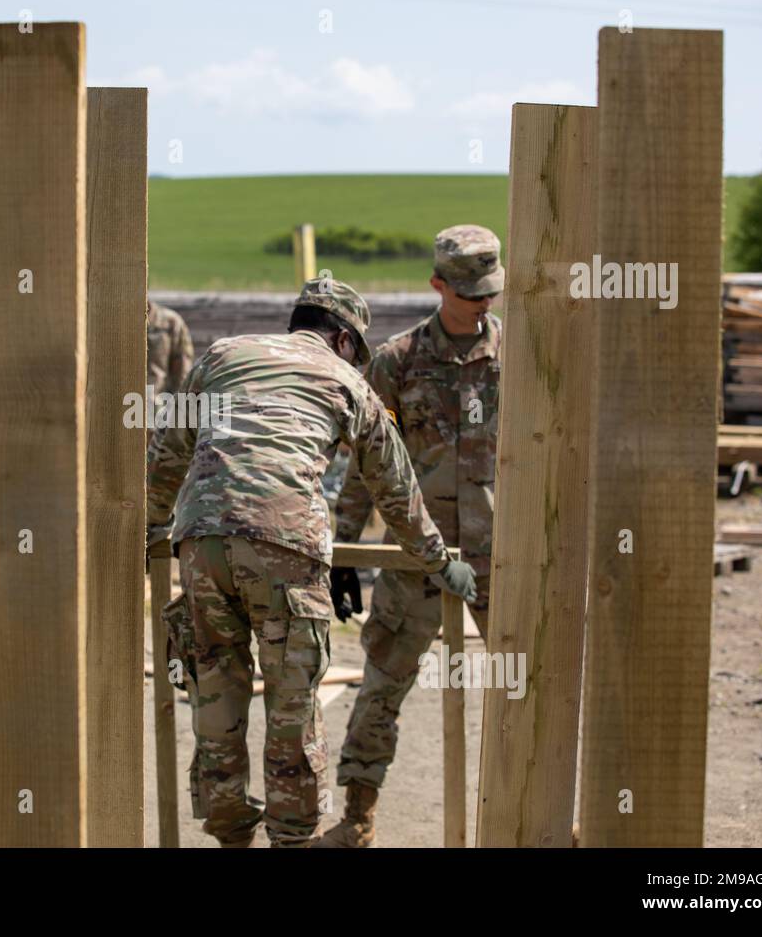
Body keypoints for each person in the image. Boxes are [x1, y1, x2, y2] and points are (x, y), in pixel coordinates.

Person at [147, 275, 476, 848]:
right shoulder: (346, 378)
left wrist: (151, 524)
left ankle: (229, 837)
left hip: (200, 540)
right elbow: (393, 484)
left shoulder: (225, 354)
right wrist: (435, 558)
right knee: (293, 710)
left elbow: (168, 447)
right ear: (345, 341)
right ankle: (292, 841)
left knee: (215, 698)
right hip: (286, 546)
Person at [318, 224, 503, 848]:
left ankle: (529, 814)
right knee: (381, 687)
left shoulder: (519, 359)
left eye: (490, 292)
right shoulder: (396, 362)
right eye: (471, 292)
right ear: (438, 285)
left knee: (526, 683)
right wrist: (343, 549)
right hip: (415, 558)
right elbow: (365, 461)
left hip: (499, 556)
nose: (483, 303)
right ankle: (358, 818)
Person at [147, 299, 194, 395]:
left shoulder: (170, 322)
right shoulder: (114, 322)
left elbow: (183, 369)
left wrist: (179, 403)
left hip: (158, 401)